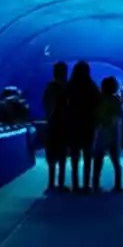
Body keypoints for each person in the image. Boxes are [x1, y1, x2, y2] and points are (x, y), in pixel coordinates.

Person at [66, 60, 100, 193]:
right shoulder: (92, 86)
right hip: (88, 123)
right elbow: (98, 103)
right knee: (87, 155)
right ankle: (86, 184)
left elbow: (65, 104)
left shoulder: (70, 86)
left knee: (74, 155)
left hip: (73, 123)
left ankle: (75, 184)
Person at [92, 76, 123, 192]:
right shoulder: (115, 101)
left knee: (98, 160)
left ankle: (95, 184)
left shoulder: (99, 100)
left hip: (101, 131)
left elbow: (95, 116)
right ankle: (118, 185)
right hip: (113, 132)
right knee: (116, 161)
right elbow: (120, 114)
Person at [42, 62, 70, 192]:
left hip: (53, 125)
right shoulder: (66, 88)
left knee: (53, 155)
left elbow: (47, 106)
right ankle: (58, 184)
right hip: (62, 125)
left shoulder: (50, 88)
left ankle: (51, 183)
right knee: (61, 155)